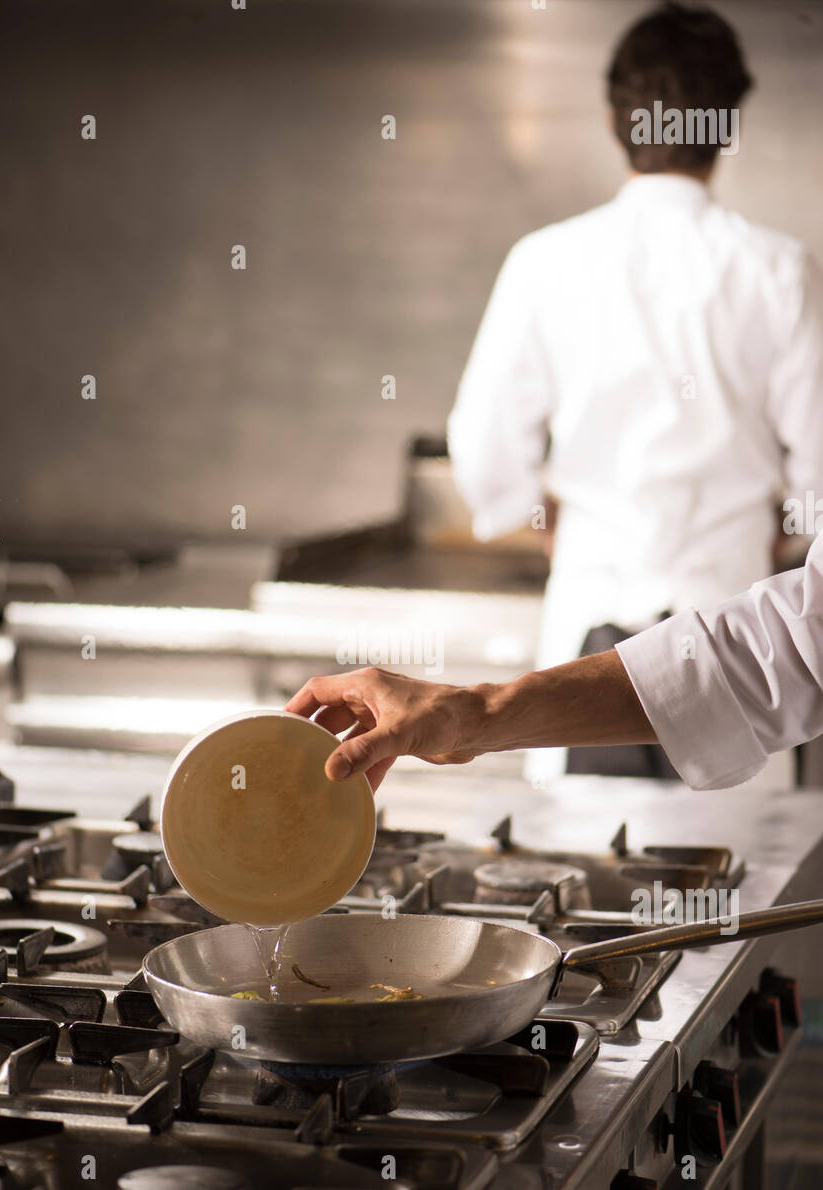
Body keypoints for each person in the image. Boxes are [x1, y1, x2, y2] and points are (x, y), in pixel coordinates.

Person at [445, 2, 823, 781]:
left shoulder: (545, 262)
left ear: (614, 121)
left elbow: (482, 456)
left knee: (577, 856)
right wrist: (779, 532)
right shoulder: (780, 269)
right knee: (735, 858)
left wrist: (542, 515)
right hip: (735, 645)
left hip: (582, 646)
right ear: (727, 125)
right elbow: (818, 475)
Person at [285, 530, 823, 794]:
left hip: (600, 574)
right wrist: (472, 715)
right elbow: (781, 654)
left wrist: (475, 715)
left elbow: (488, 452)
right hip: (726, 570)